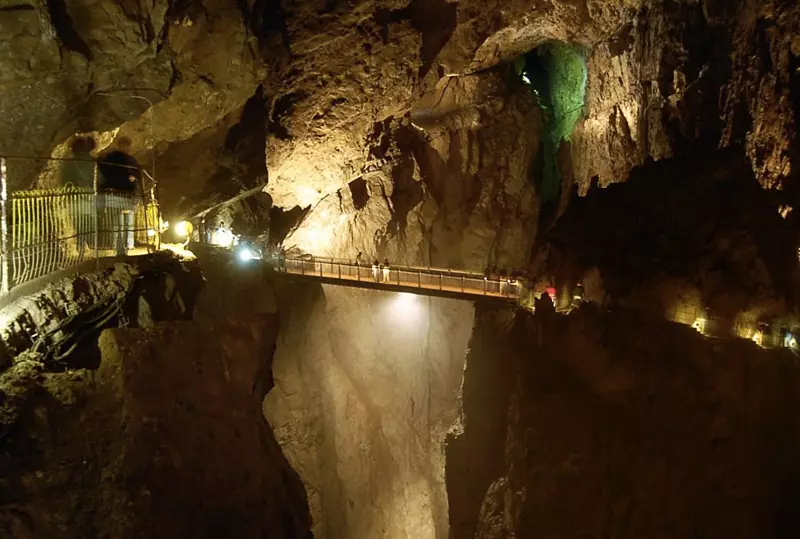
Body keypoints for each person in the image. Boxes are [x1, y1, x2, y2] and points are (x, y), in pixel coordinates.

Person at [99, 137, 141, 255]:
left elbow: (136, 174)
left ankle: (124, 245)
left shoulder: (110, 158)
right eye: (126, 146)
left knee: (122, 222)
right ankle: (123, 246)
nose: (128, 149)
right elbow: (136, 174)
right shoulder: (126, 160)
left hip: (117, 193)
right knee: (121, 222)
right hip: (123, 193)